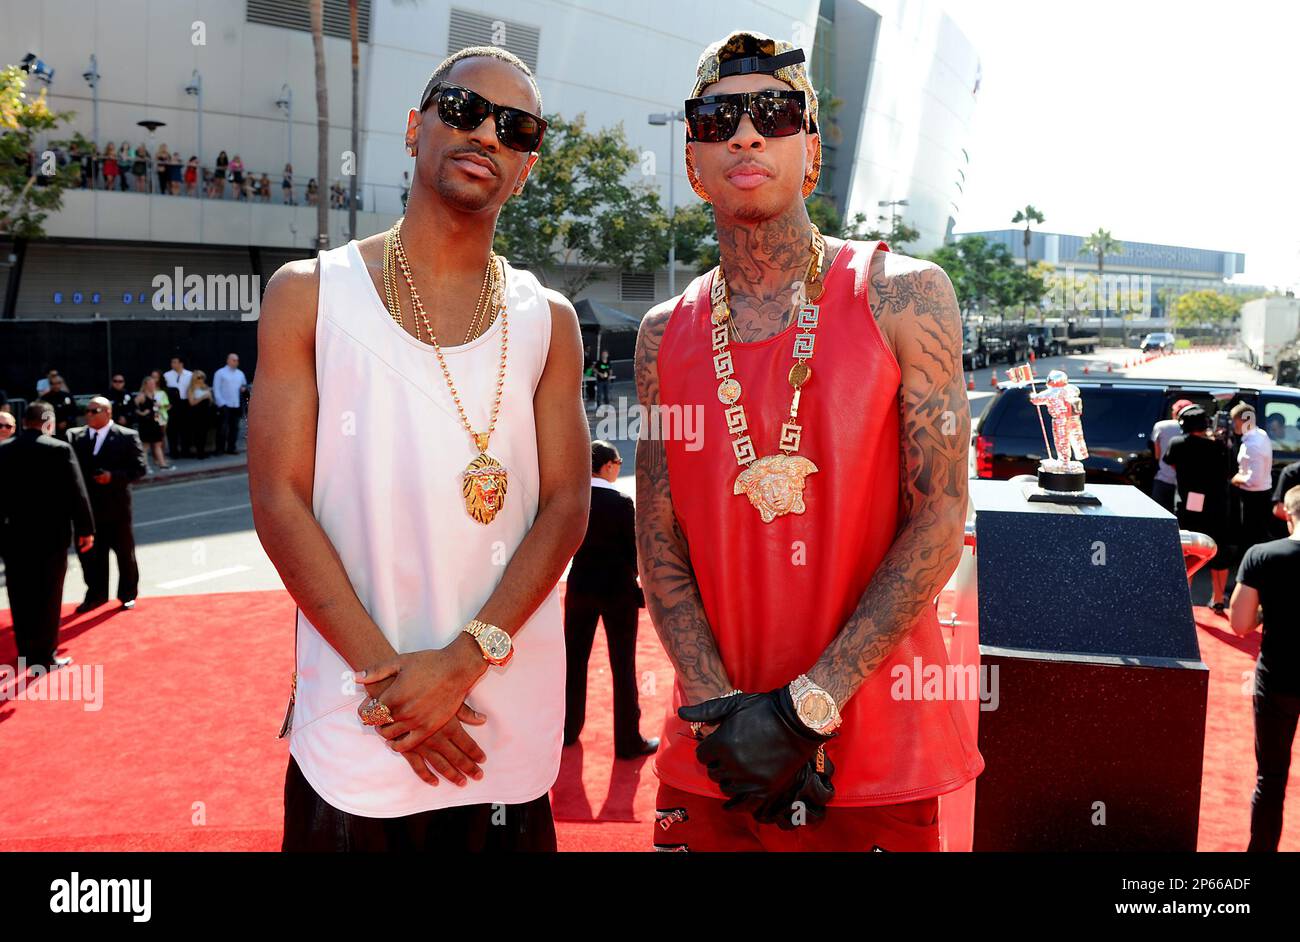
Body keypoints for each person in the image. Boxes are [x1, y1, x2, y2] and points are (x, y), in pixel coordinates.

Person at [634, 31, 982, 852]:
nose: (745, 134)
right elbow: (659, 542)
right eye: (717, 118)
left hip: (871, 761)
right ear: (692, 158)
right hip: (713, 759)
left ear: (812, 151)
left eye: (773, 113)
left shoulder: (905, 296)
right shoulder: (662, 334)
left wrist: (803, 712)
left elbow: (939, 523)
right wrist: (724, 716)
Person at [251, 45, 589, 853]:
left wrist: (462, 665)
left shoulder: (549, 320)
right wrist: (396, 685)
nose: (487, 135)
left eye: (515, 127)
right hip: (358, 736)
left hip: (502, 744)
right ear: (415, 126)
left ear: (528, 165)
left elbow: (566, 506)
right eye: (464, 108)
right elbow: (278, 501)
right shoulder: (309, 294)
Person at [564, 441, 657, 758]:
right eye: (618, 461)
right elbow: (635, 553)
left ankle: (567, 729)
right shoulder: (620, 501)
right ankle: (628, 740)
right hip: (617, 590)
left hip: (580, 588)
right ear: (607, 465)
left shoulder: (574, 499)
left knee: (574, 662)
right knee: (623, 665)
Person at [1229, 484, 1300, 851]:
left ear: (1287, 514)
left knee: (1271, 779)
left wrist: (1269, 609)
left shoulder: (1262, 556)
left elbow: (1240, 624)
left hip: (1279, 678)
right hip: (1277, 681)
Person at [0, 403, 95, 671]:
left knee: (20, 596)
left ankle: (26, 654)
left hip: (13, 536)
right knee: (49, 595)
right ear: (48, 422)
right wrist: (86, 530)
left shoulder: (4, 451)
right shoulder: (59, 449)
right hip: (51, 536)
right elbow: (77, 493)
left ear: (24, 421)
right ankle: (45, 655)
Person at [67, 397, 147, 612]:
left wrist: (113, 477)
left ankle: (128, 594)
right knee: (92, 556)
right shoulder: (76, 437)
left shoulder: (126, 436)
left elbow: (139, 469)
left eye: (95, 410)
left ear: (108, 412)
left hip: (117, 508)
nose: (89, 414)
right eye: (88, 410)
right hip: (89, 510)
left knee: (124, 554)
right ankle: (96, 595)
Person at [1163, 405, 1234, 612]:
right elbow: (1231, 471)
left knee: (1188, 551)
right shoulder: (1220, 446)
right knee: (1219, 550)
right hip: (1216, 505)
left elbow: (1172, 465)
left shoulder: (1177, 444)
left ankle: (1184, 600)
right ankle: (1219, 598)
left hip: (1188, 503)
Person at [1231, 402, 1274, 560]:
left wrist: (1236, 478)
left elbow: (1253, 480)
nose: (1232, 425)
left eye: (1234, 421)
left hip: (1253, 497)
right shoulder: (1259, 435)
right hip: (1260, 495)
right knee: (1256, 535)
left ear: (1243, 421)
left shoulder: (1253, 445)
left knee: (1251, 538)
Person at [1151, 398, 1194, 512]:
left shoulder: (1161, 426)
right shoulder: (1202, 434)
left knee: (1160, 517)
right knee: (1192, 517)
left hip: (1164, 479)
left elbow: (1157, 455)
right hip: (1193, 486)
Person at [212, 353, 248, 455]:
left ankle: (231, 448)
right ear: (228, 360)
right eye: (234, 360)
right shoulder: (220, 373)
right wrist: (221, 403)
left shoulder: (240, 374)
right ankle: (220, 449)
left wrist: (243, 389)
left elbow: (243, 386)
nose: (236, 362)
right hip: (225, 405)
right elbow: (216, 389)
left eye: (237, 360)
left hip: (236, 404)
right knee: (222, 428)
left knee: (234, 428)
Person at [134, 375, 170, 471]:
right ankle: (145, 466)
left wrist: (159, 420)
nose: (153, 385)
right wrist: (142, 413)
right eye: (150, 384)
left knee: (158, 444)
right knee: (145, 446)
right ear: (145, 385)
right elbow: (133, 407)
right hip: (145, 424)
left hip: (155, 422)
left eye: (154, 384)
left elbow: (157, 409)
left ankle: (162, 465)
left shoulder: (155, 395)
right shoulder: (141, 396)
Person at [163, 356, 193, 458]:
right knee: (172, 429)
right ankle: (173, 451)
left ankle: (186, 451)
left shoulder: (189, 375)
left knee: (186, 428)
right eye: (172, 362)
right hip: (173, 404)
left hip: (185, 403)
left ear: (181, 363)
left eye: (175, 362)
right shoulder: (167, 375)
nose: (173, 364)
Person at [187, 370, 217, 458]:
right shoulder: (191, 389)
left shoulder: (205, 387)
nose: (201, 379)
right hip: (197, 413)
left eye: (202, 377)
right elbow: (191, 402)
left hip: (206, 413)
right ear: (194, 378)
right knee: (197, 432)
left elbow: (211, 401)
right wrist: (202, 397)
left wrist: (210, 397)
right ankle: (199, 452)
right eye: (199, 377)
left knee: (205, 432)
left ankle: (204, 450)